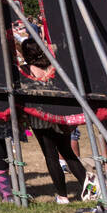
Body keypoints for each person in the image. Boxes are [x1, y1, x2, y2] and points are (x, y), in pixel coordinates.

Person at [18, 38, 86, 203]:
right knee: (68, 153)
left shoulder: (25, 70)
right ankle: (89, 188)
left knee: (51, 156)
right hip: (59, 114)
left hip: (39, 117)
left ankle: (63, 195)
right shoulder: (53, 67)